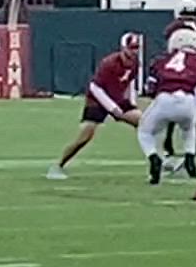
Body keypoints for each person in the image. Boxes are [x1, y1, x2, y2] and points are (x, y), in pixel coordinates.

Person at [48, 33, 145, 179]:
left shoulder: (135, 64)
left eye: (137, 48)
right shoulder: (109, 63)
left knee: (146, 123)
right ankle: (58, 165)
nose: (135, 51)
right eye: (132, 48)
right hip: (97, 101)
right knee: (85, 137)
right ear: (124, 48)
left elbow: (130, 83)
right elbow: (95, 87)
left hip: (117, 99)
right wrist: (112, 108)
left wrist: (131, 103)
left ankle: (160, 159)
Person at [141, 30, 196, 184]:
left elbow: (150, 88)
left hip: (165, 98)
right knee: (190, 130)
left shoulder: (161, 61)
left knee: (145, 131)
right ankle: (190, 160)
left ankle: (154, 158)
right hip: (188, 99)